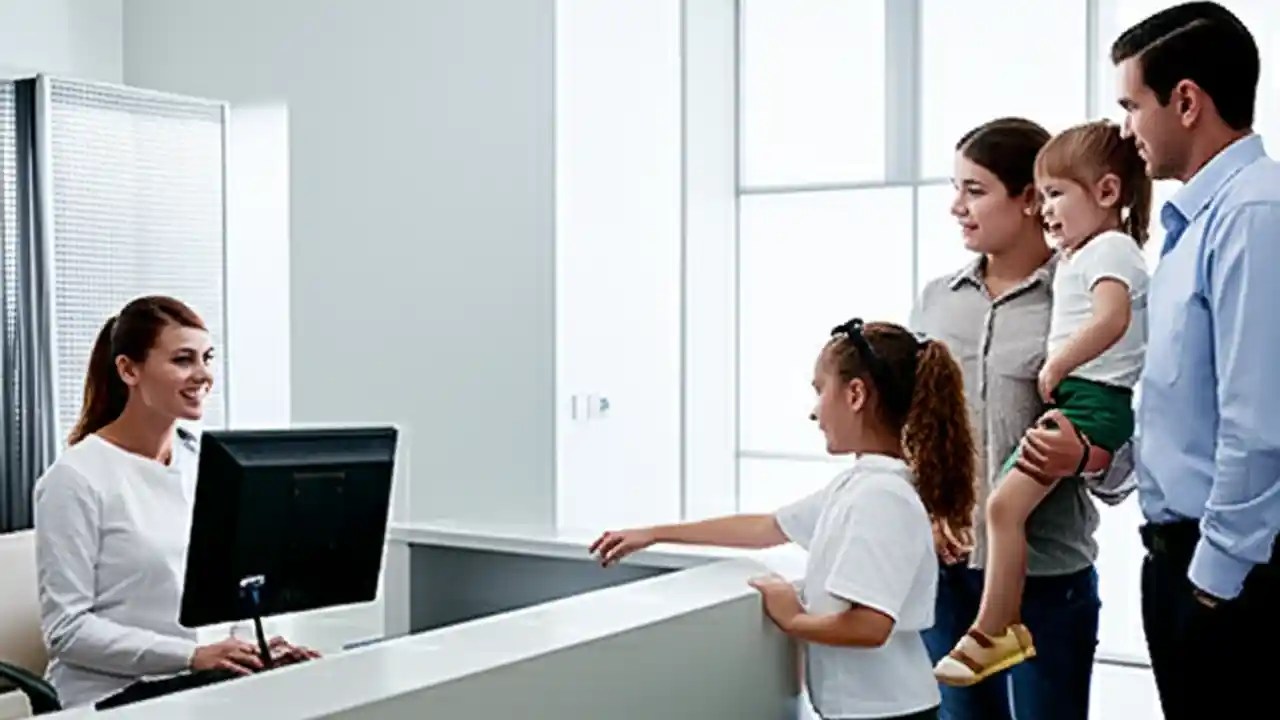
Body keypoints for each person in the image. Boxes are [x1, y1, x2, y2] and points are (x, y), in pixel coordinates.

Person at [1022, 4, 1280, 718]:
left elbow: (1258, 424)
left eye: (1131, 105)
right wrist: (1100, 461)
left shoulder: (1255, 215)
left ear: (1187, 101)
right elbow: (1180, 408)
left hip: (1230, 572)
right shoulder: (1189, 230)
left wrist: (1213, 581)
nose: (1125, 128)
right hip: (1180, 561)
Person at [591, 319, 977, 720]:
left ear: (856, 394)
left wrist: (792, 617)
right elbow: (766, 528)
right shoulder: (862, 485)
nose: (814, 412)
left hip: (886, 713)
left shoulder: (881, 497)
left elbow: (869, 626)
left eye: (819, 390)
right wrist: (654, 534)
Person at [933, 120, 1151, 687]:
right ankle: (989, 628)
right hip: (947, 570)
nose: (957, 207)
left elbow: (1128, 444)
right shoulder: (937, 301)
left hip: (1051, 577)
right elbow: (915, 425)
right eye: (954, 188)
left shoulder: (1089, 282)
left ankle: (998, 627)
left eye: (974, 190)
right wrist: (925, 508)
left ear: (1028, 198)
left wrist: (1086, 457)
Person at [32, 296, 317, 709]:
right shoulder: (75, 479)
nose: (203, 375)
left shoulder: (205, 464)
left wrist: (253, 650)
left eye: (207, 358)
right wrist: (192, 656)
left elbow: (229, 588)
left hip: (199, 683)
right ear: (128, 369)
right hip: (111, 697)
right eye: (183, 360)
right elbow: (67, 630)